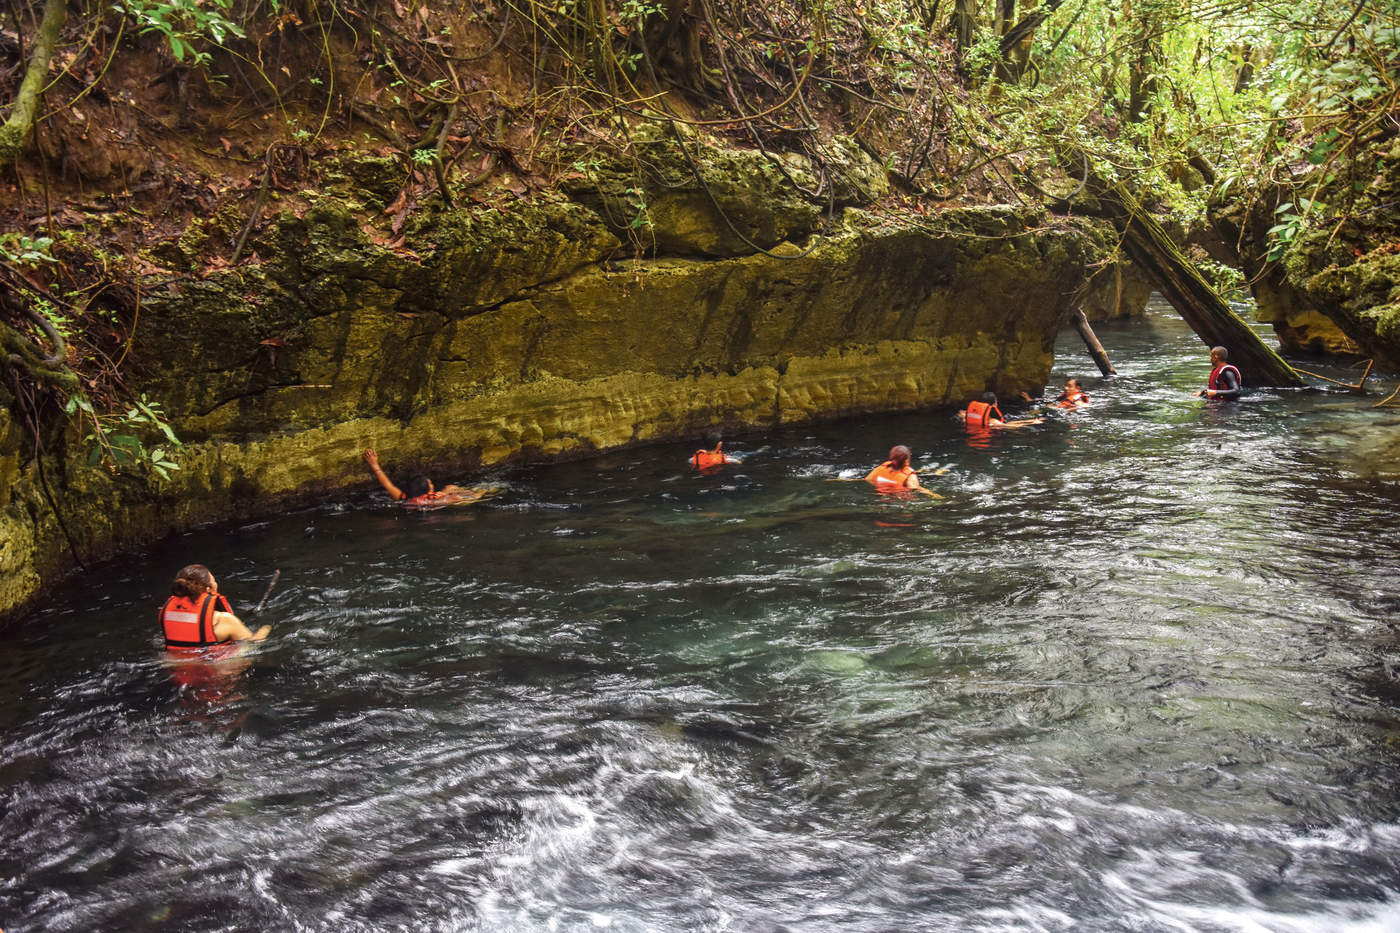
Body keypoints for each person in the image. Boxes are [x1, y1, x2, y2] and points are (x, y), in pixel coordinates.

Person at [159, 564, 270, 650]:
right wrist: (266, 628)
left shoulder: (166, 615)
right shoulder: (224, 619)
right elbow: (253, 644)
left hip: (177, 670)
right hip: (219, 671)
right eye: (214, 581)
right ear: (208, 589)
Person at [363, 448, 494, 507]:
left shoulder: (404, 498)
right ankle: (487, 491)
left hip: (414, 510)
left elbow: (387, 484)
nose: (432, 484)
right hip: (436, 507)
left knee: (449, 489)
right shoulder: (434, 500)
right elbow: (455, 499)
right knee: (452, 489)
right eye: (430, 483)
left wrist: (374, 464)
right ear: (429, 490)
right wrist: (479, 493)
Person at [864, 445, 940, 498]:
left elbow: (867, 480)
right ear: (906, 461)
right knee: (932, 476)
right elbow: (915, 488)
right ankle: (939, 472)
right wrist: (933, 494)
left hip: (882, 495)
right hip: (900, 493)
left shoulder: (881, 468)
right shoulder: (910, 476)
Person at [960, 392, 1044, 429]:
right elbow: (1011, 426)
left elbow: (961, 414)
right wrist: (1033, 422)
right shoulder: (992, 422)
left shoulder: (966, 417)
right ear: (994, 405)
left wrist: (1031, 420)